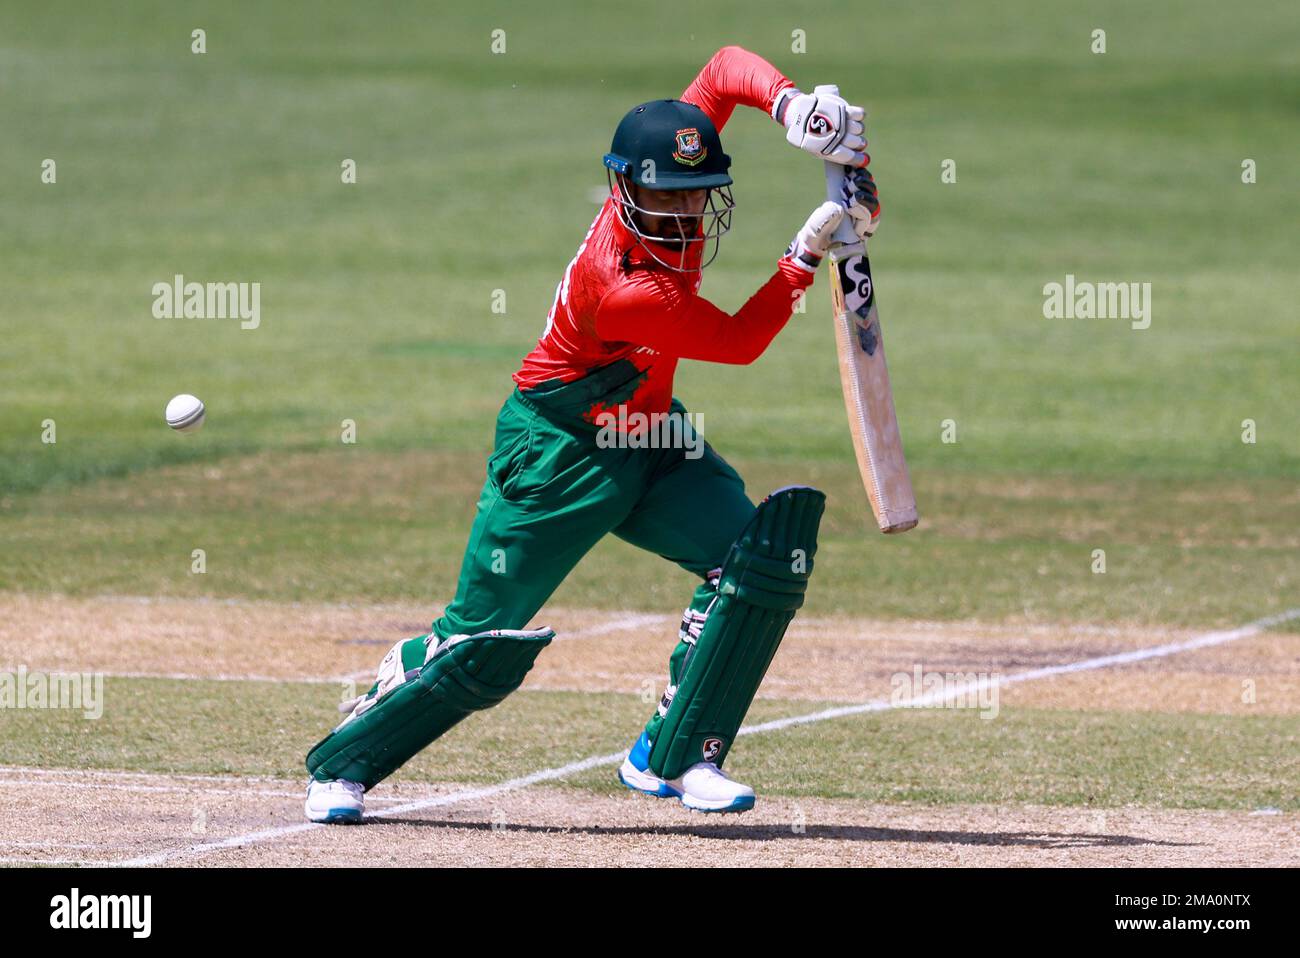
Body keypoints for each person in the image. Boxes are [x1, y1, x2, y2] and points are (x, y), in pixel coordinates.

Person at [304, 45, 881, 823]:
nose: (684, 217)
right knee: (479, 644)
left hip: (650, 438)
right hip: (557, 449)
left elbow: (720, 72)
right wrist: (807, 254)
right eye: (668, 201)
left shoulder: (663, 179)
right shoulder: (623, 285)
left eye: (698, 196)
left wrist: (791, 108)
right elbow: (741, 341)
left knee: (757, 562)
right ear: (625, 190)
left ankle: (675, 756)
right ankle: (345, 763)